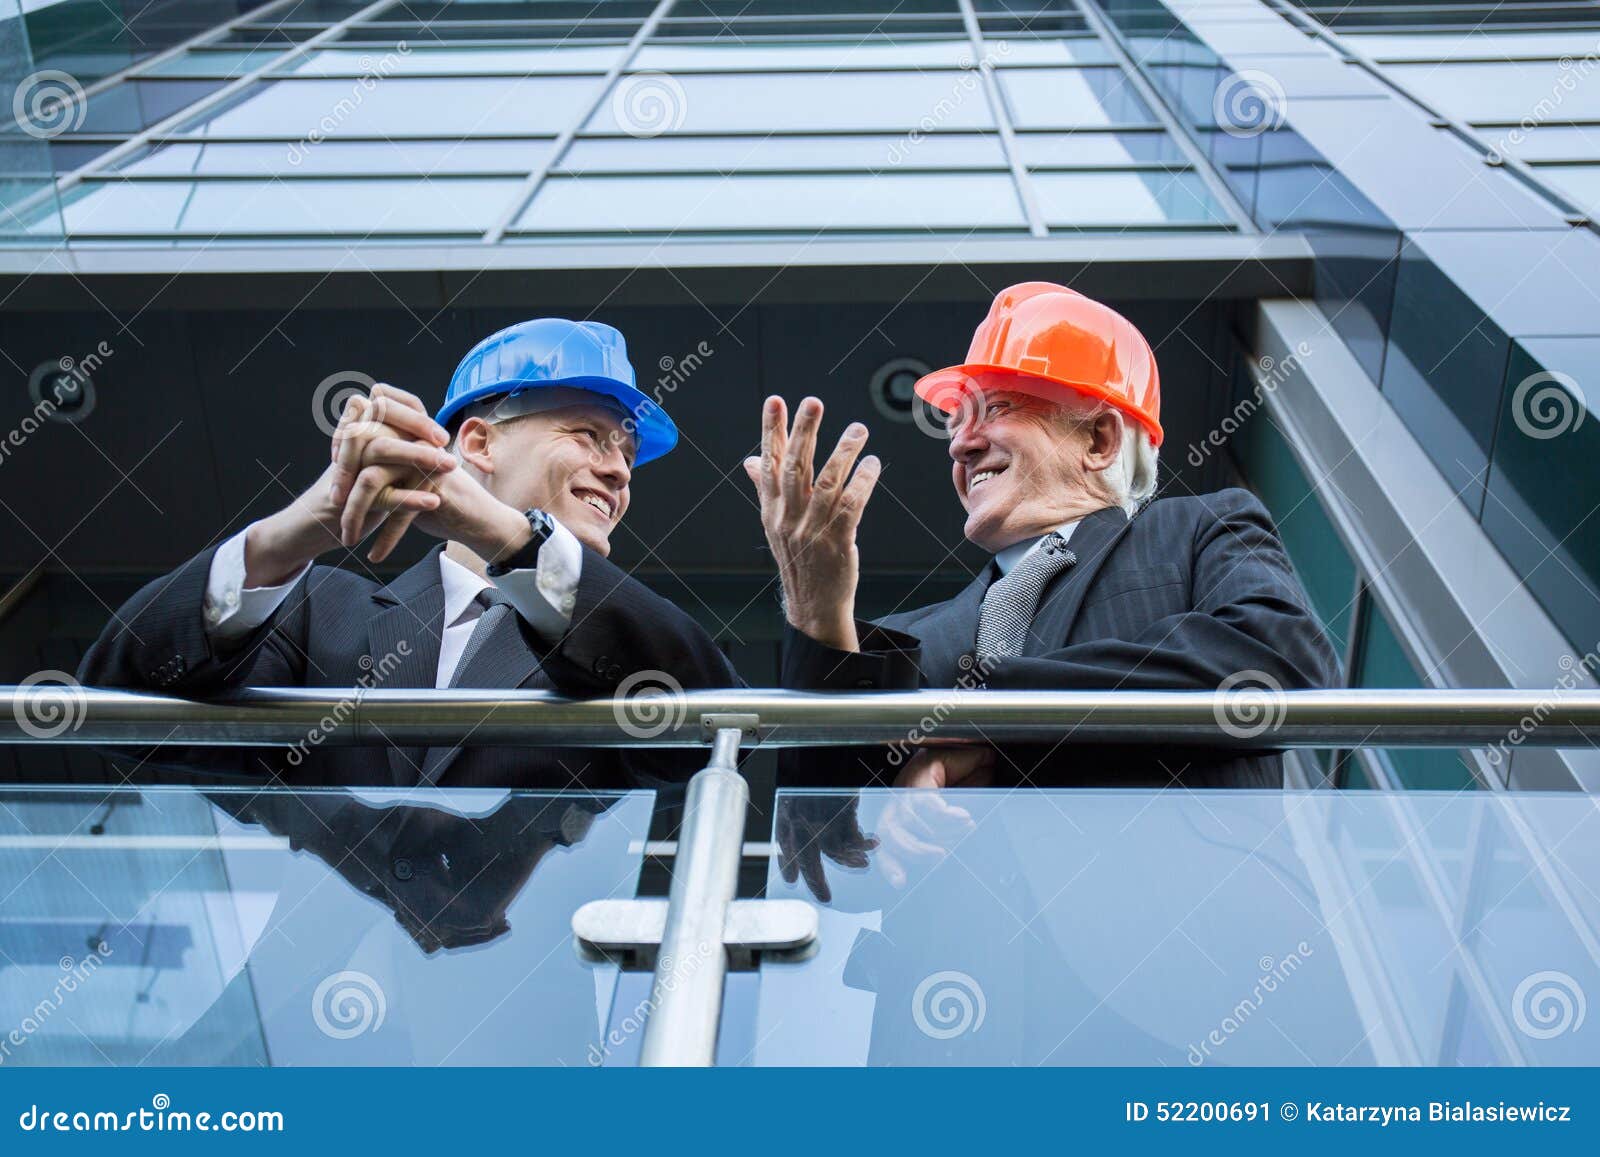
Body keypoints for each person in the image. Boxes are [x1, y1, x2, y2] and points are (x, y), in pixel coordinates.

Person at [747, 281, 1339, 821]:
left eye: (998, 408)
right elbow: (823, 857)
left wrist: (985, 718)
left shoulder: (1200, 529)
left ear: (1099, 439)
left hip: (1188, 932)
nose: (960, 445)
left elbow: (1279, 668)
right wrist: (818, 619)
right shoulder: (900, 644)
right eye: (956, 423)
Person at [79, 318, 736, 792]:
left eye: (626, 455)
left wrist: (509, 537)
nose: (619, 472)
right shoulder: (317, 609)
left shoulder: (622, 638)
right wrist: (300, 527)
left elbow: (714, 725)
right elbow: (116, 706)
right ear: (478, 444)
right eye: (591, 436)